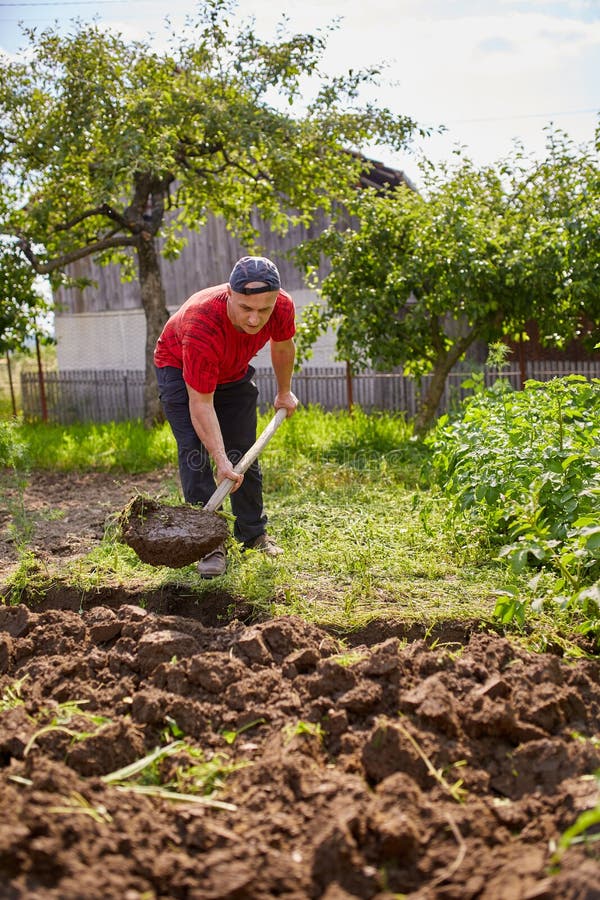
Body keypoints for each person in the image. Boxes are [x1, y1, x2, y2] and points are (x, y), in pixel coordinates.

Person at [154, 255, 298, 578]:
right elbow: (201, 404)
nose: (254, 319)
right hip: (179, 368)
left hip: (231, 371)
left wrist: (284, 391)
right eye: (246, 308)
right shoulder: (203, 320)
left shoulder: (283, 307)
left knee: (244, 450)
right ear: (230, 295)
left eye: (264, 310)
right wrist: (219, 459)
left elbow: (283, 346)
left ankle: (253, 534)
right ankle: (209, 543)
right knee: (195, 450)